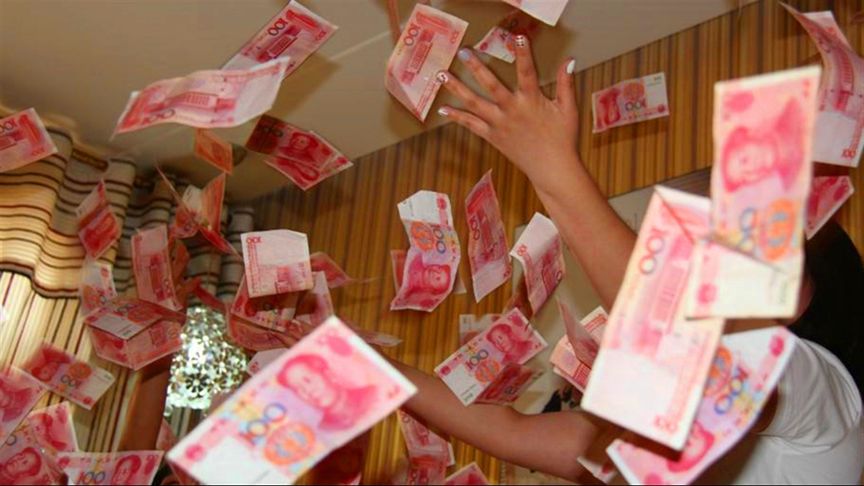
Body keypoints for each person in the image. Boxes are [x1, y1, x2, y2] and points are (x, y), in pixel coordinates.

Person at [387, 35, 863, 484]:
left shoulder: (826, 398)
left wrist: (552, 166)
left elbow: (692, 349)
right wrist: (361, 357)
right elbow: (508, 433)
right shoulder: (652, 429)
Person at [276, 354, 377, 431]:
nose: (307, 390)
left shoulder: (374, 396)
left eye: (308, 380)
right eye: (297, 389)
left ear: (329, 375)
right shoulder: (324, 431)